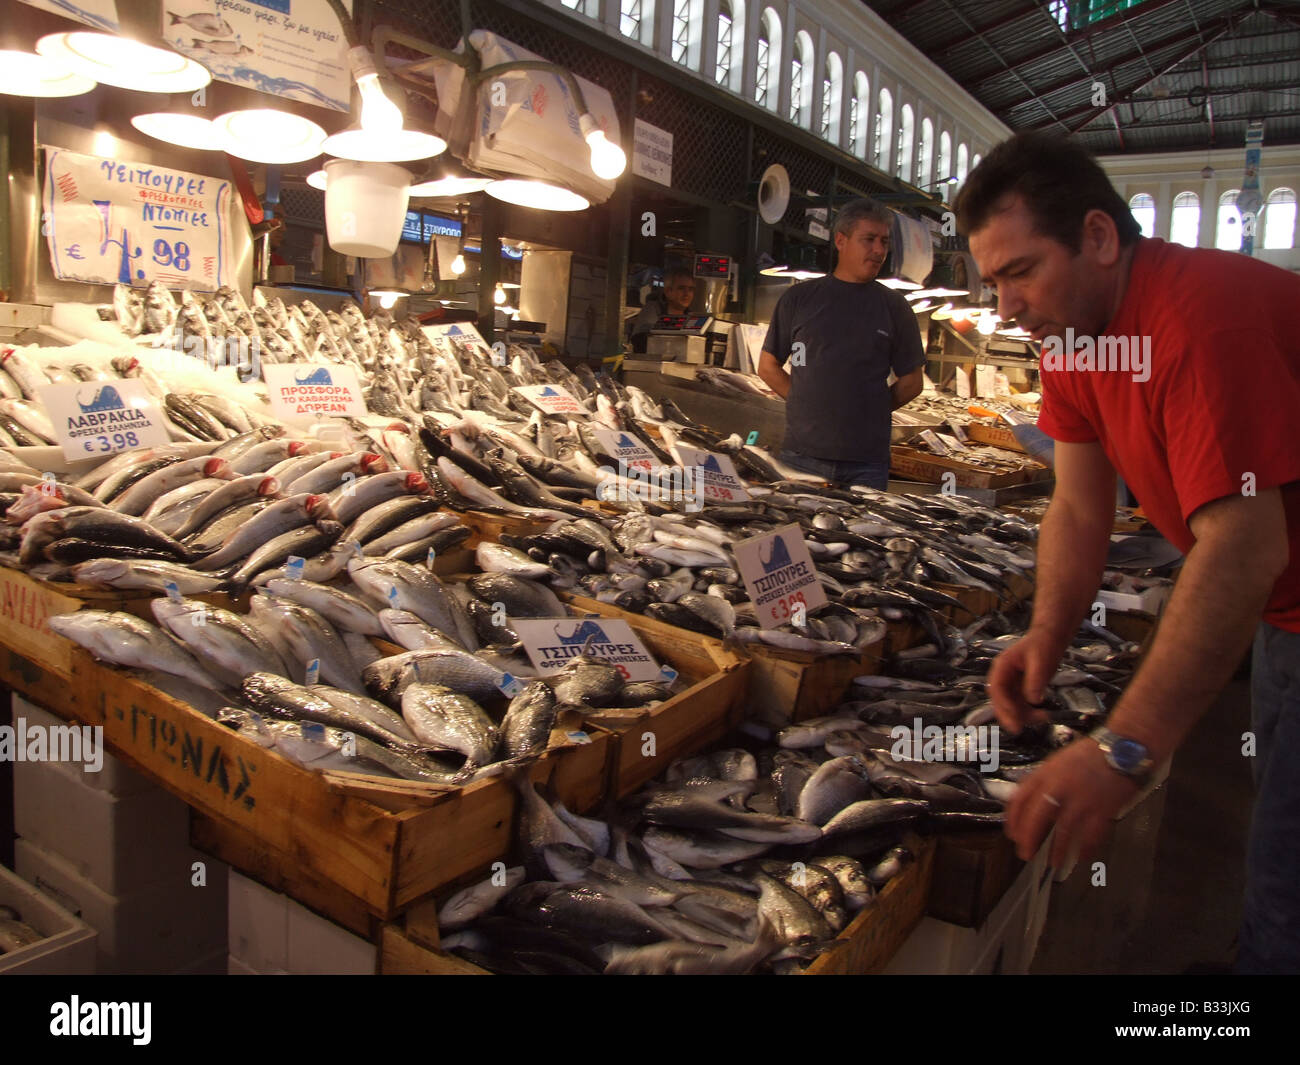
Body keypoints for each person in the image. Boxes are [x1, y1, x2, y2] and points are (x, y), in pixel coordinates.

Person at [958, 131, 1300, 974]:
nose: (1005, 306)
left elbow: (1242, 548)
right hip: (1287, 612)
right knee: (1281, 824)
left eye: (1021, 271)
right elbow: (1078, 503)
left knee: (1291, 859)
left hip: (1283, 588)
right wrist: (1048, 633)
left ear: (1100, 237)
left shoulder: (1198, 320)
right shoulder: (1078, 337)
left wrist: (1125, 748)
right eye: (993, 280)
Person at [756, 198, 925, 489]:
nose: (878, 250)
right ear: (841, 240)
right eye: (868, 240)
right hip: (801, 457)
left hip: (867, 464)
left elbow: (912, 382)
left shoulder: (895, 306)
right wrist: (805, 403)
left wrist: (869, 410)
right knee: (802, 532)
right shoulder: (799, 299)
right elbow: (768, 366)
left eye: (884, 242)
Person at [627, 268, 697, 353]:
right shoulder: (653, 309)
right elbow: (640, 341)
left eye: (690, 289)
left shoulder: (692, 317)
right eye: (681, 288)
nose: (686, 294)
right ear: (668, 291)